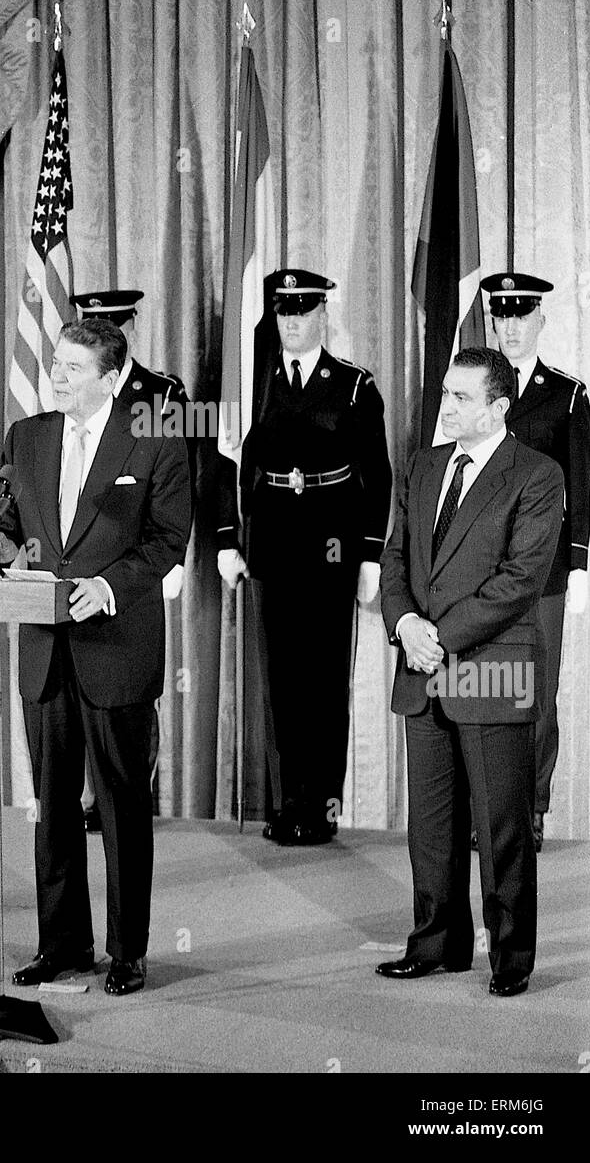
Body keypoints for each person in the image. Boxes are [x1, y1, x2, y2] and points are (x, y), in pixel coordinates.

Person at [0, 319, 190, 994]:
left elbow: (166, 539)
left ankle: (127, 953)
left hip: (114, 646)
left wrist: (104, 585)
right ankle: (61, 944)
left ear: (110, 376)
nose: (56, 376)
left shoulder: (155, 438)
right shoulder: (27, 436)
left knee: (122, 806)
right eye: (55, 364)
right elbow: (1, 518)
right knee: (53, 805)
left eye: (71, 367)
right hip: (43, 649)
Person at [378, 347, 564, 997]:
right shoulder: (422, 467)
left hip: (489, 670)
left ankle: (509, 959)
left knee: (500, 825)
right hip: (420, 668)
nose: (446, 406)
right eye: (446, 394)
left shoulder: (536, 475)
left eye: (461, 397)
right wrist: (404, 626)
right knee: (430, 825)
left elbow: (520, 581)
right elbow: (395, 557)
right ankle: (435, 944)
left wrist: (438, 639)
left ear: (498, 406)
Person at [217, 269, 392, 845]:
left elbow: (379, 474)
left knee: (323, 681)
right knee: (283, 681)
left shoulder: (352, 385)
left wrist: (370, 554)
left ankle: (321, 806)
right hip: (275, 545)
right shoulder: (256, 382)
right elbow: (232, 467)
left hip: (332, 546)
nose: (291, 321)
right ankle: (289, 800)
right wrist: (229, 539)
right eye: (283, 311)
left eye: (302, 310)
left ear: (323, 314)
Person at [71, 289, 196, 832]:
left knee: (130, 698)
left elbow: (186, 471)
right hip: (73, 570)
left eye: (111, 324)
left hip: (139, 563)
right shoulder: (68, 394)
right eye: (91, 323)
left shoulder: (161, 393)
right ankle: (84, 799)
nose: (102, 330)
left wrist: (175, 560)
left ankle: (127, 796)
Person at [479, 272, 590, 850]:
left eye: (523, 316)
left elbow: (580, 484)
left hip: (543, 572)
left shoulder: (566, 396)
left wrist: (579, 565)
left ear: (540, 321)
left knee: (537, 692)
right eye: (503, 316)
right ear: (493, 323)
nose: (513, 327)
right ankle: (490, 810)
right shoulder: (471, 389)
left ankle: (531, 808)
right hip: (481, 571)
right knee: (487, 687)